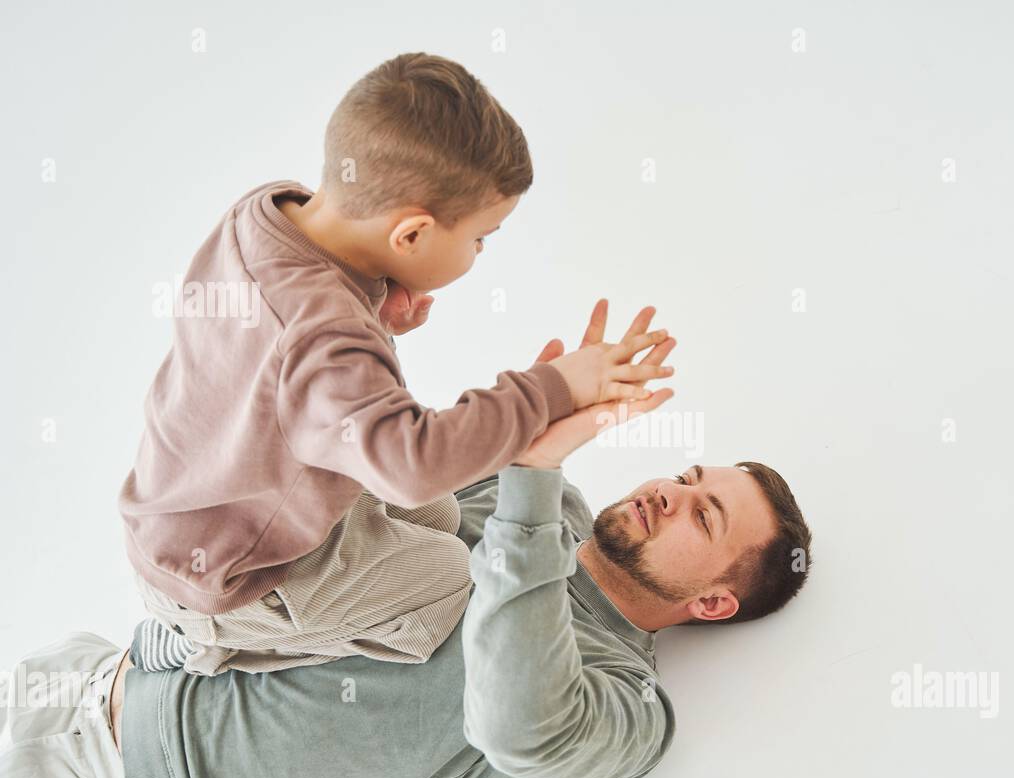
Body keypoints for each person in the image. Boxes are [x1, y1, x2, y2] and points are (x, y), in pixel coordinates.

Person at [2, 362, 813, 778]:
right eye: (688, 474)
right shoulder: (545, 499)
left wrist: (531, 477)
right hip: (89, 677)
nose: (670, 492)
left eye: (702, 517)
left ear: (712, 601)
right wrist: (523, 409)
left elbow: (518, 724)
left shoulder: (628, 705)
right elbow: (360, 497)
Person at [118, 51, 672, 677]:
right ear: (409, 235)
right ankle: (207, 643)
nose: (481, 252)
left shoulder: (267, 212)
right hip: (235, 572)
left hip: (206, 498)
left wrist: (370, 305)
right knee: (448, 578)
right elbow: (414, 464)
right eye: (481, 237)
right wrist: (550, 390)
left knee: (445, 518)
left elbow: (278, 356)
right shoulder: (327, 338)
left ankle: (227, 613)